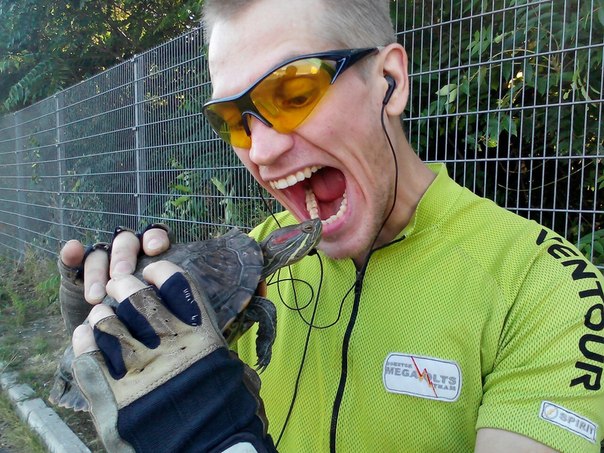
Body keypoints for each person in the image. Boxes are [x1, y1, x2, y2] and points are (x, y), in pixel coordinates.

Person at [58, 0, 604, 451]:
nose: (262, 151)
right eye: (233, 120)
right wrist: (105, 340)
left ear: (389, 80)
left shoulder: (545, 291)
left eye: (294, 93)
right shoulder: (247, 260)